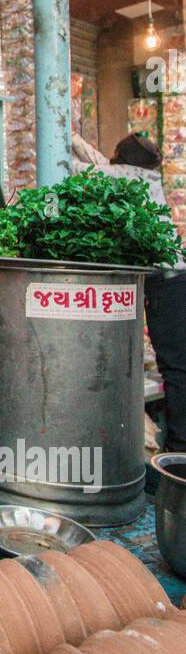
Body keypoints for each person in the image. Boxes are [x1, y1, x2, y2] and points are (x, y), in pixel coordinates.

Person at [109, 132, 186, 454]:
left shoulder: (123, 177)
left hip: (168, 283)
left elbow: (89, 164)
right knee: (179, 366)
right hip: (174, 279)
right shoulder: (147, 178)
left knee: (177, 367)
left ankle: (179, 448)